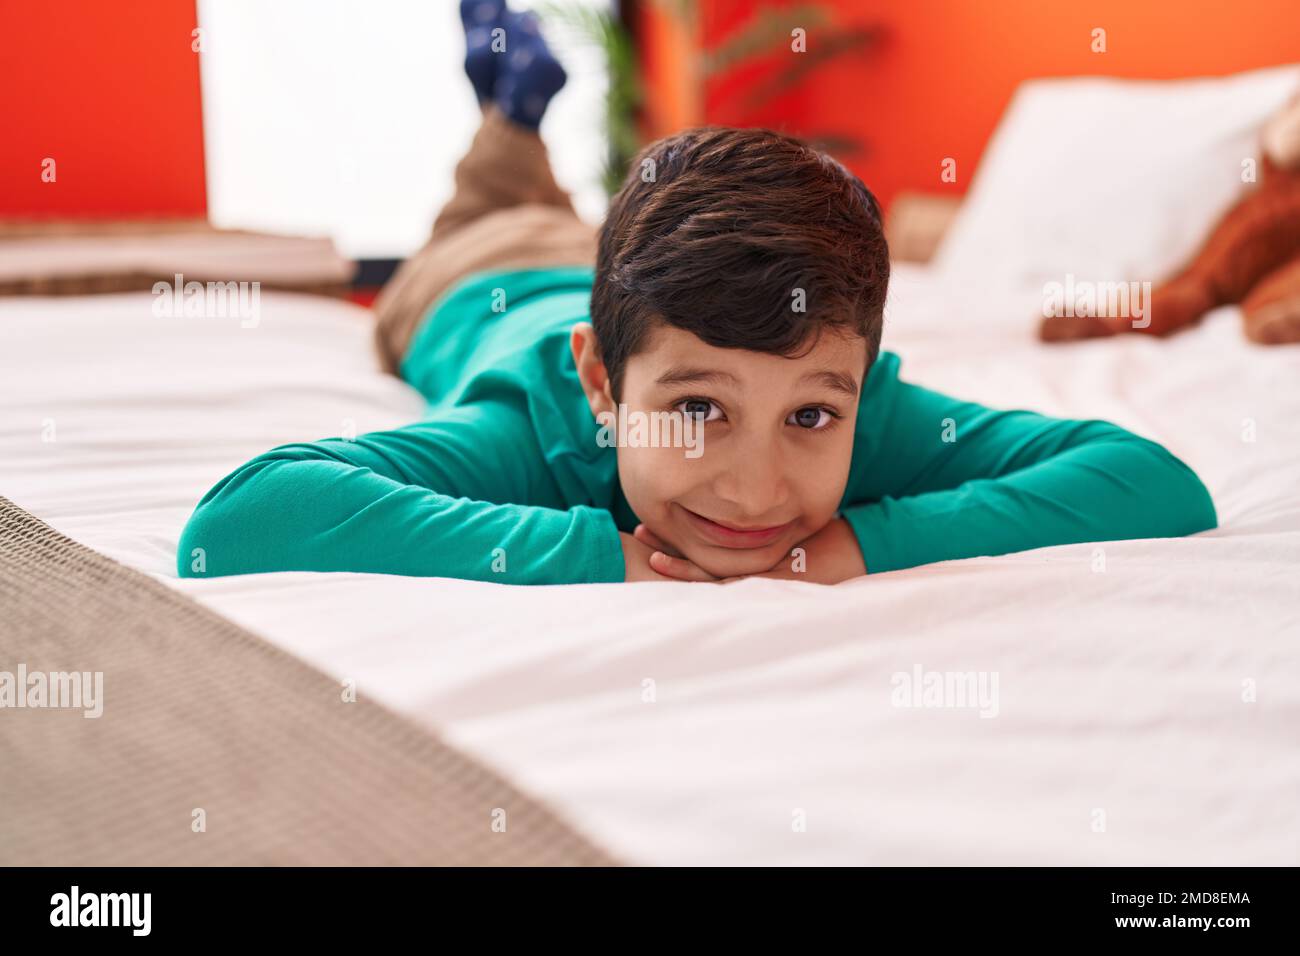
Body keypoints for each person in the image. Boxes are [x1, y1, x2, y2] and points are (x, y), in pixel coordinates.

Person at [177, 0, 1217, 585]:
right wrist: (597, 552)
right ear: (600, 381)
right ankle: (510, 111)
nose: (756, 492)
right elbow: (241, 519)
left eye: (809, 414)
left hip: (605, 264)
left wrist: (865, 539)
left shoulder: (868, 408)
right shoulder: (531, 430)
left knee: (554, 209)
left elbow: (1152, 476)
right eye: (694, 409)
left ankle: (513, 111)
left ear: (856, 379)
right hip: (470, 284)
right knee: (483, 209)